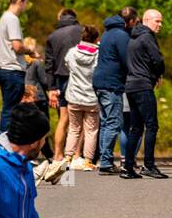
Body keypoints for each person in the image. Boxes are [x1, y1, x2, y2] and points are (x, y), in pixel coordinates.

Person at [122, 9, 166, 179]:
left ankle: (128, 167)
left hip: (131, 85)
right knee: (152, 125)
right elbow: (157, 59)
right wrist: (159, 74)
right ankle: (148, 165)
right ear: (147, 20)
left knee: (136, 128)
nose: (160, 25)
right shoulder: (147, 36)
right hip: (142, 85)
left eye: (161, 22)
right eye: (157, 21)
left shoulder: (133, 36)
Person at [93, 9, 135, 175]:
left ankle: (105, 159)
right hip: (112, 83)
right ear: (130, 21)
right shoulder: (121, 35)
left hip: (99, 81)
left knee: (105, 122)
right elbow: (127, 60)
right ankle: (105, 162)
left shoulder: (107, 33)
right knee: (114, 122)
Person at [43, 9, 83, 163]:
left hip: (62, 80)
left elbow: (49, 64)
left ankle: (58, 155)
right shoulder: (83, 31)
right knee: (80, 118)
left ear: (60, 18)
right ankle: (76, 155)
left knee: (64, 119)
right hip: (81, 79)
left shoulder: (53, 36)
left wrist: (51, 88)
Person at [63, 24, 101, 171]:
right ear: (96, 39)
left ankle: (67, 158)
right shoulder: (99, 54)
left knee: (74, 128)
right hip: (91, 97)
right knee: (91, 130)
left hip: (74, 96)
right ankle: (87, 161)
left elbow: (68, 66)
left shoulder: (72, 52)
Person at [0, 0, 31, 130]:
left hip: (3, 69)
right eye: (26, 3)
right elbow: (17, 46)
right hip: (12, 70)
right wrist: (30, 50)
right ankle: (4, 146)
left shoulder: (3, 18)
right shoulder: (12, 19)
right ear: (20, 1)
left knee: (7, 110)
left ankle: (2, 144)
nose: (25, 7)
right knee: (10, 112)